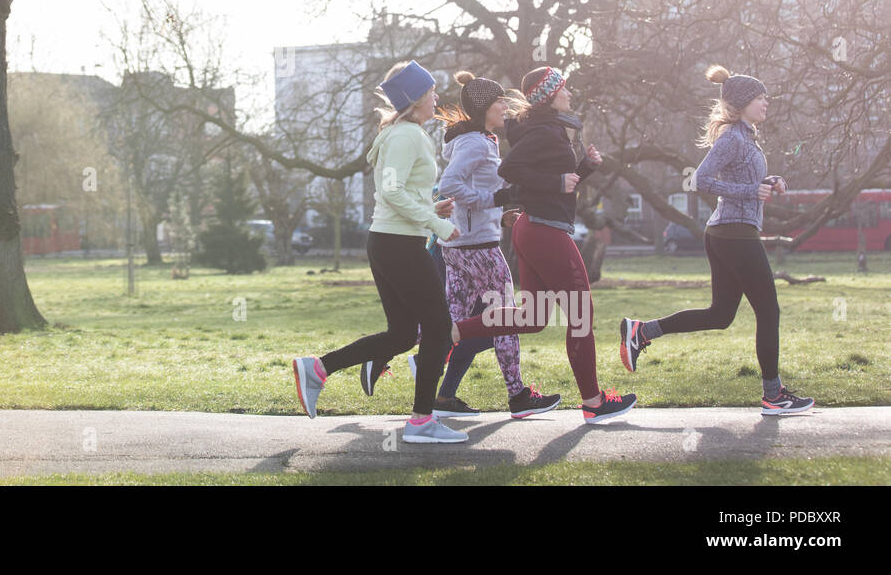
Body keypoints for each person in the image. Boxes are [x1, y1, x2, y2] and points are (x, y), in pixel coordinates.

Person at [621, 66, 815, 416]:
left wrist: (770, 180)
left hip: (730, 233)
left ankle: (642, 331)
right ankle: (774, 395)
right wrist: (749, 190)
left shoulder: (747, 136)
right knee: (768, 311)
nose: (766, 102)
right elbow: (700, 180)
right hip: (734, 235)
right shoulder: (732, 137)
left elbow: (742, 178)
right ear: (742, 104)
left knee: (721, 314)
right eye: (760, 98)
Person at [292, 60, 468, 443]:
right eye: (431, 90)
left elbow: (398, 192)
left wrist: (429, 210)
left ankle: (318, 369)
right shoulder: (407, 135)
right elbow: (391, 191)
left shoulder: (402, 134)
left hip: (390, 241)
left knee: (404, 333)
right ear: (416, 98)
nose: (437, 95)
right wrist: (436, 224)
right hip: (398, 245)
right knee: (438, 326)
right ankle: (422, 421)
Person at [450, 66, 638, 424]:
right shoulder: (545, 131)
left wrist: (584, 170)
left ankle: (455, 331)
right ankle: (594, 402)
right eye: (564, 88)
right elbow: (511, 170)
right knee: (581, 315)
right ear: (550, 95)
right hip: (544, 232)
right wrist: (557, 180)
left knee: (533, 318)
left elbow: (555, 182)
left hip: (533, 227)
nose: (569, 93)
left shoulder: (548, 129)